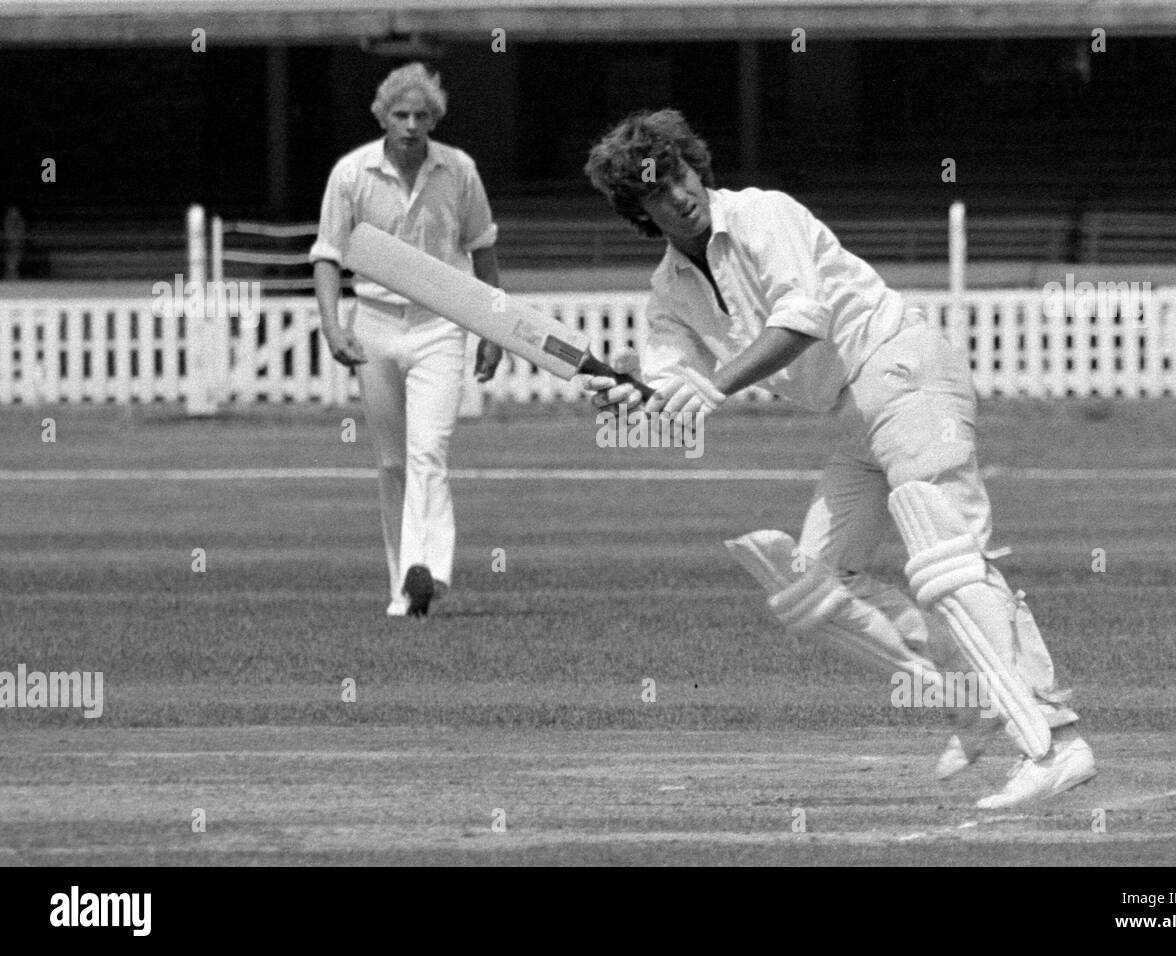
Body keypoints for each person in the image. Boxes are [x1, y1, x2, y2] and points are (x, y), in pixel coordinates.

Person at [582, 109, 1096, 808]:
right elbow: (670, 385)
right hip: (854, 420)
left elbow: (803, 317)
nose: (678, 195)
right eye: (656, 192)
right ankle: (975, 695)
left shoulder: (763, 214)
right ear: (638, 211)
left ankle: (1054, 740)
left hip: (902, 369)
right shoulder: (670, 291)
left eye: (678, 174)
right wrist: (626, 394)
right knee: (816, 590)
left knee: (948, 557)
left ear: (695, 167)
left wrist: (716, 385)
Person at [311, 63, 503, 618]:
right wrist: (333, 324)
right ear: (382, 116)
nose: (412, 125)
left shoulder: (459, 170)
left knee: (429, 453)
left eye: (422, 115)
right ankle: (403, 585)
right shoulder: (351, 173)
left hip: (441, 323)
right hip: (372, 322)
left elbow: (483, 250)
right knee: (392, 462)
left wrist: (492, 329)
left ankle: (429, 570)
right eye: (401, 115)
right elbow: (327, 255)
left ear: (435, 119)